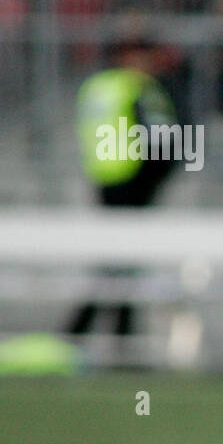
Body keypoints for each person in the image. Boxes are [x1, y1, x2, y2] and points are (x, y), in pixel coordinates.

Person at [65, 38, 181, 344]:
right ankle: (110, 337)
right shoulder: (140, 87)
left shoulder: (96, 86)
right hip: (134, 182)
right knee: (122, 264)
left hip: (104, 179)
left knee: (115, 262)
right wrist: (161, 173)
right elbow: (160, 137)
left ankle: (88, 335)